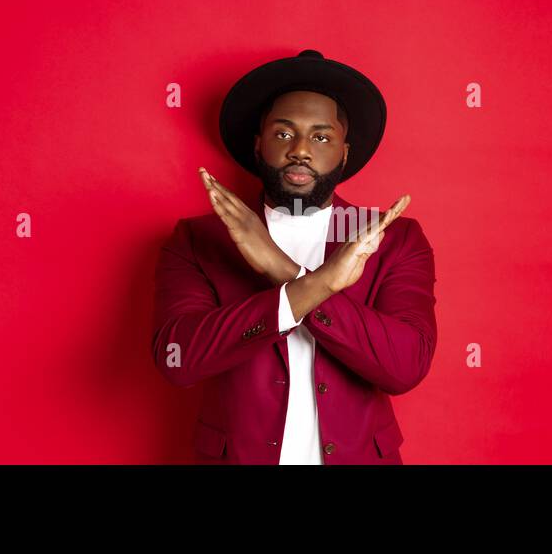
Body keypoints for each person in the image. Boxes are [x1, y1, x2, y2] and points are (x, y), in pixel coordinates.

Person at [150, 49, 437, 464]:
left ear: (343, 153)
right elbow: (178, 360)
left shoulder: (393, 239)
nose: (301, 150)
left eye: (321, 137)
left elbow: (405, 366)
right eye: (284, 133)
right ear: (258, 145)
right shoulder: (197, 239)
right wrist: (318, 284)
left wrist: (278, 268)